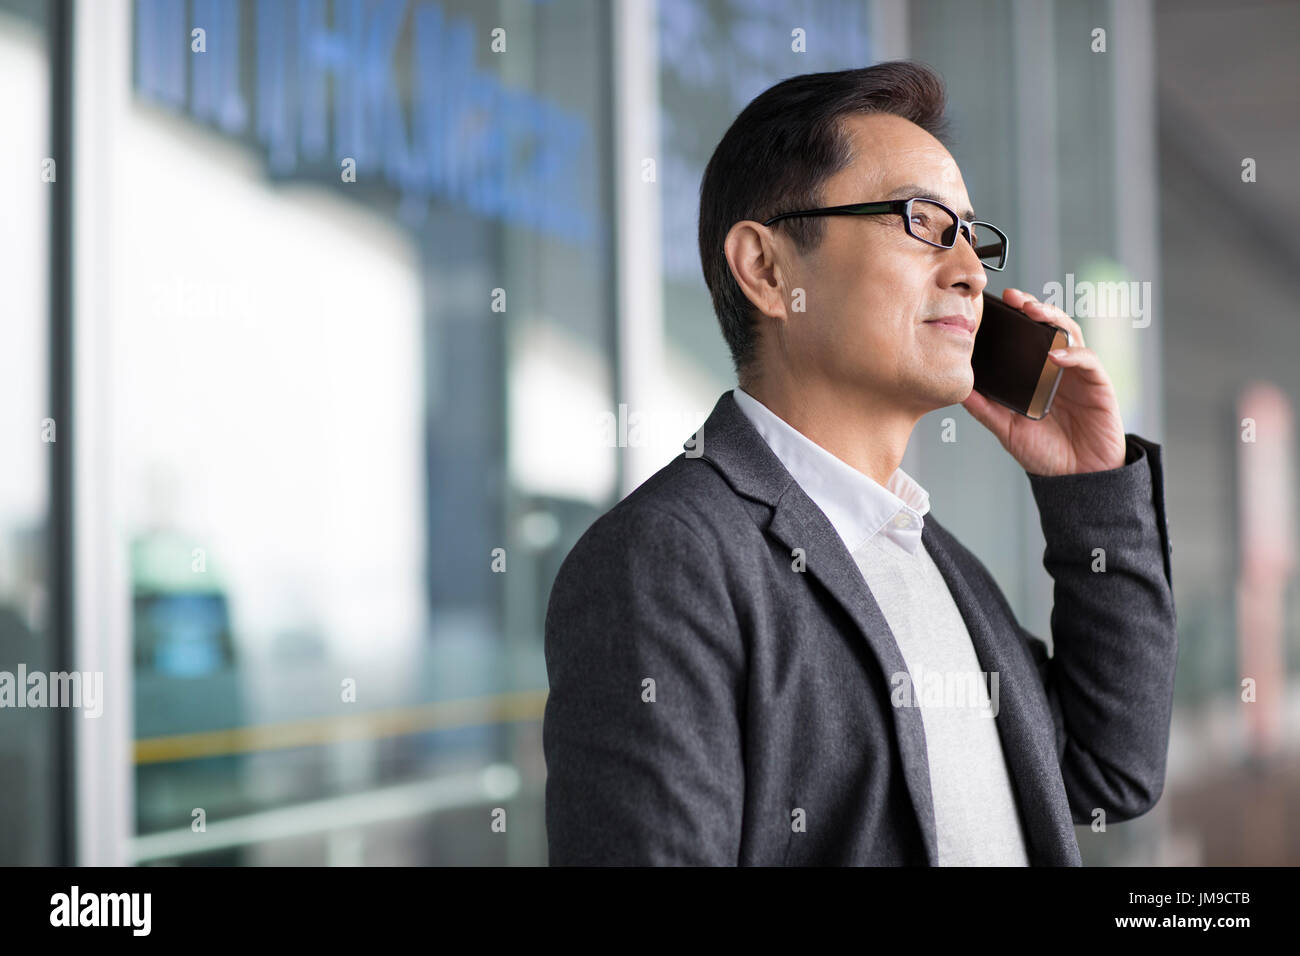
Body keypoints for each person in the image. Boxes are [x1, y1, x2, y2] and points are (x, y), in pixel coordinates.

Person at [542, 61, 1176, 866]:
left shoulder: (933, 561)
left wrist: (1090, 487)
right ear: (768, 270)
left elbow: (1111, 771)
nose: (970, 272)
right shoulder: (666, 560)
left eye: (971, 235)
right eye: (921, 222)